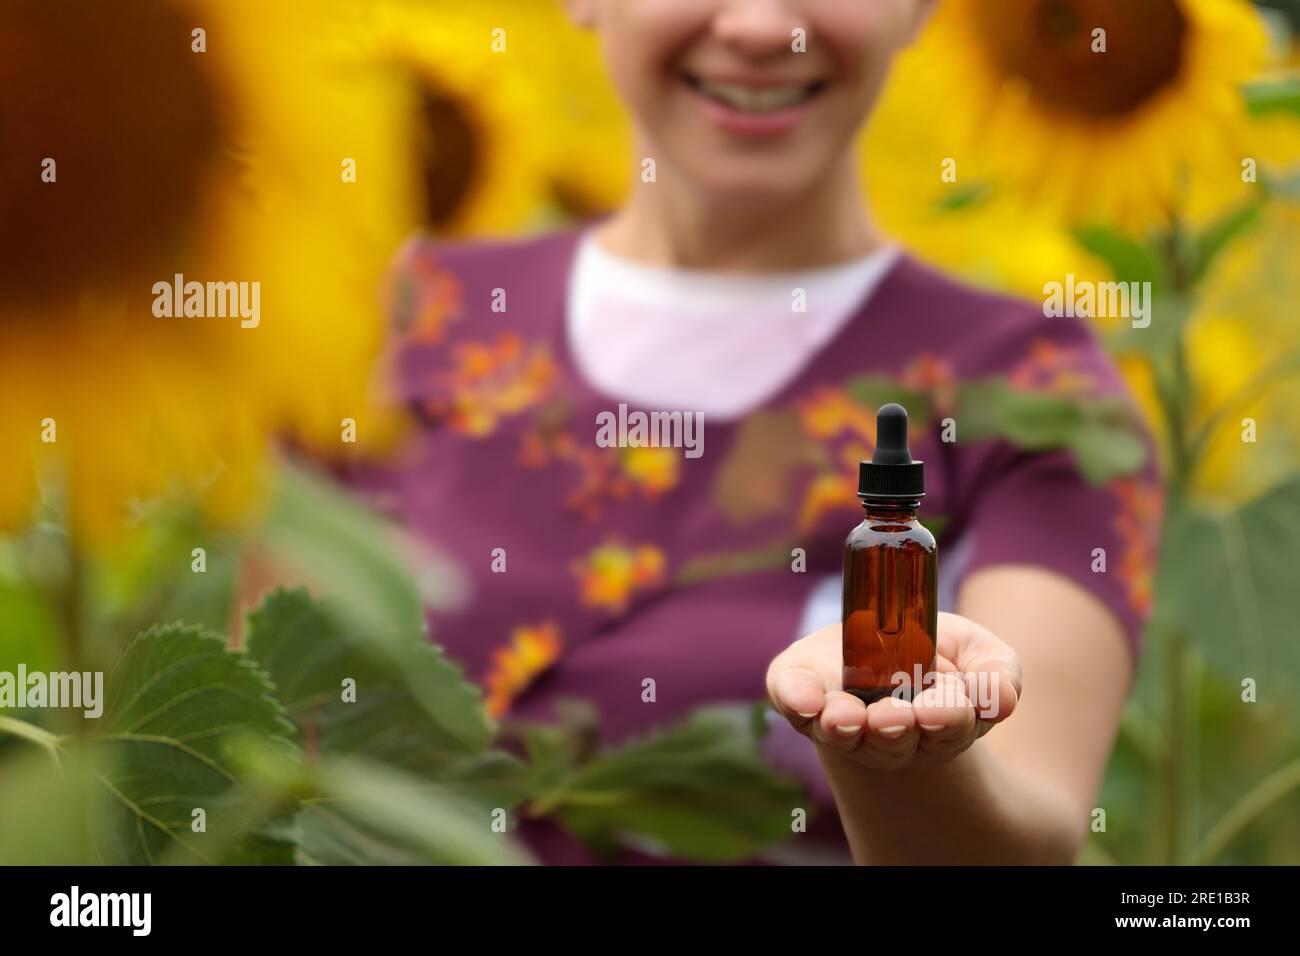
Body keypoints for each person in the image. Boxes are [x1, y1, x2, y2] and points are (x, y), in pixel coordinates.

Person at [270, 0, 1164, 864]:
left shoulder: (1040, 397)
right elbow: (263, 743)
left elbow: (1024, 835)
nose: (758, 26)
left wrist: (898, 753)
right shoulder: (386, 326)